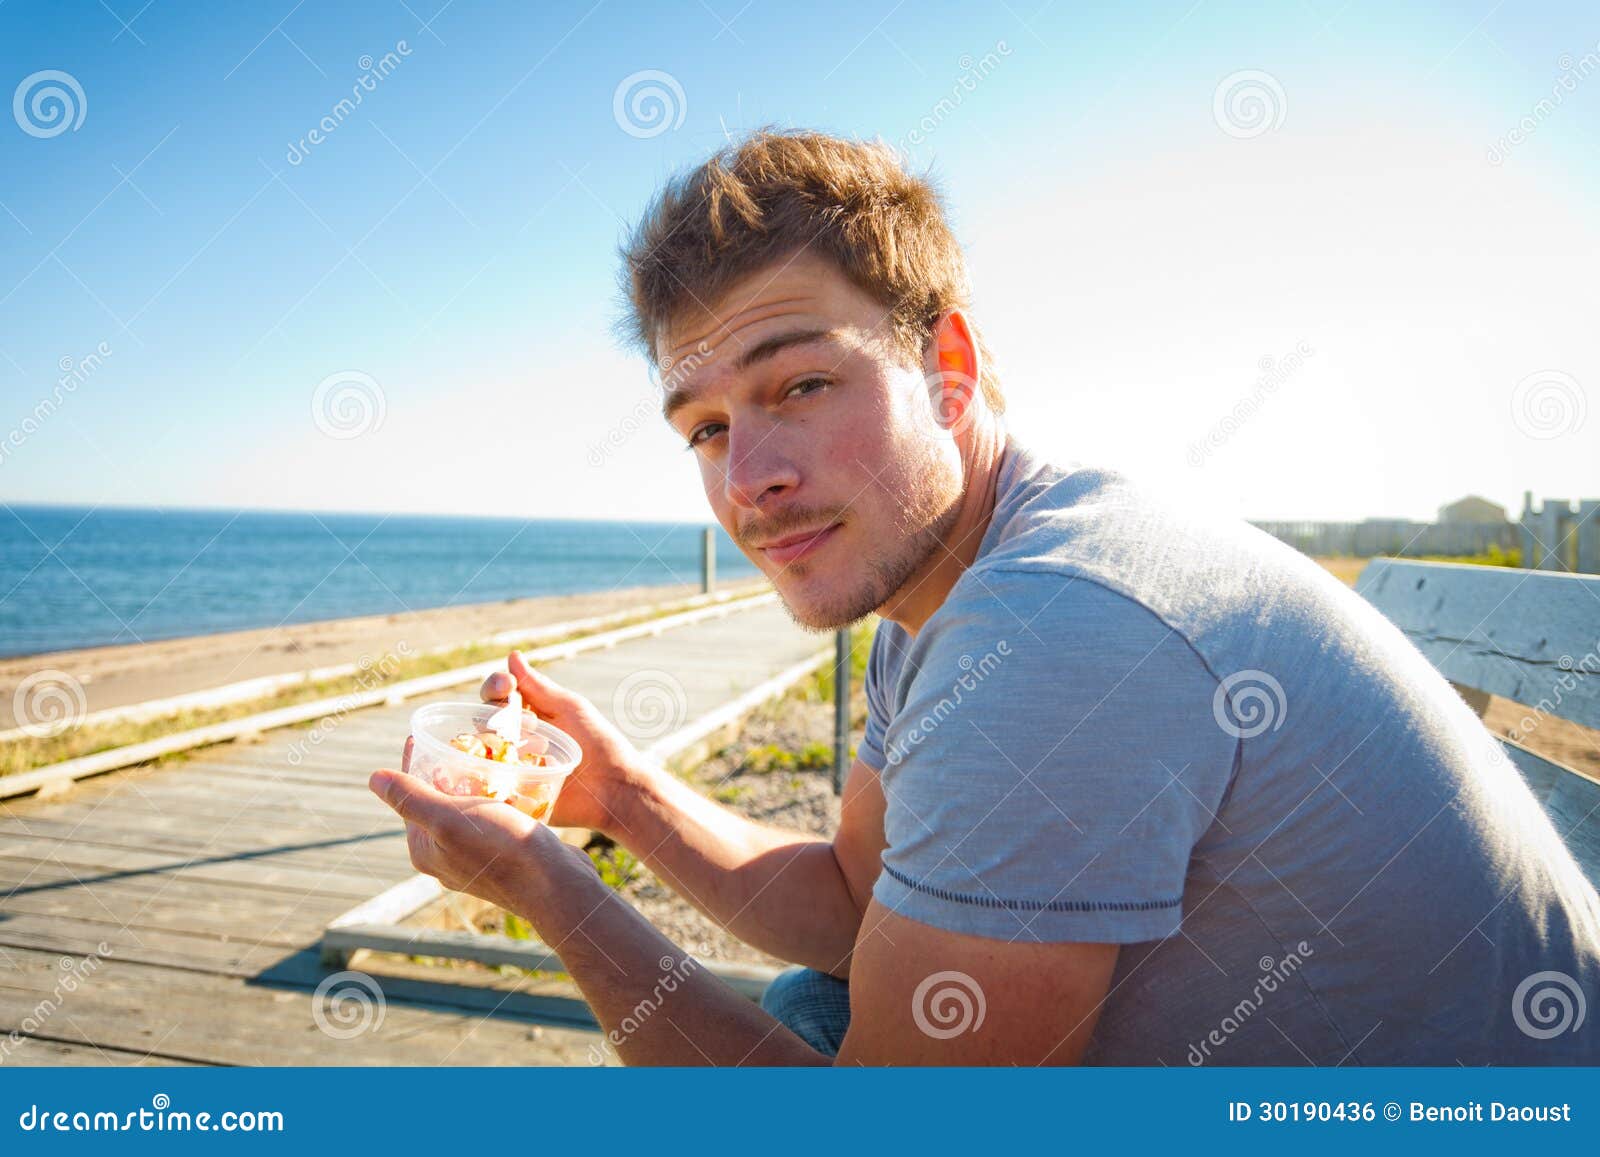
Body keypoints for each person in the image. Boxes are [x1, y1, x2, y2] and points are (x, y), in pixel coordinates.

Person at [369, 129, 1600, 1065]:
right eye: (703, 426)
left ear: (946, 367)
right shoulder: (947, 589)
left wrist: (548, 885)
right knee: (818, 997)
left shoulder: (1053, 628)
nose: (750, 479)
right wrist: (620, 792)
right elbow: (852, 906)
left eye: (799, 383)